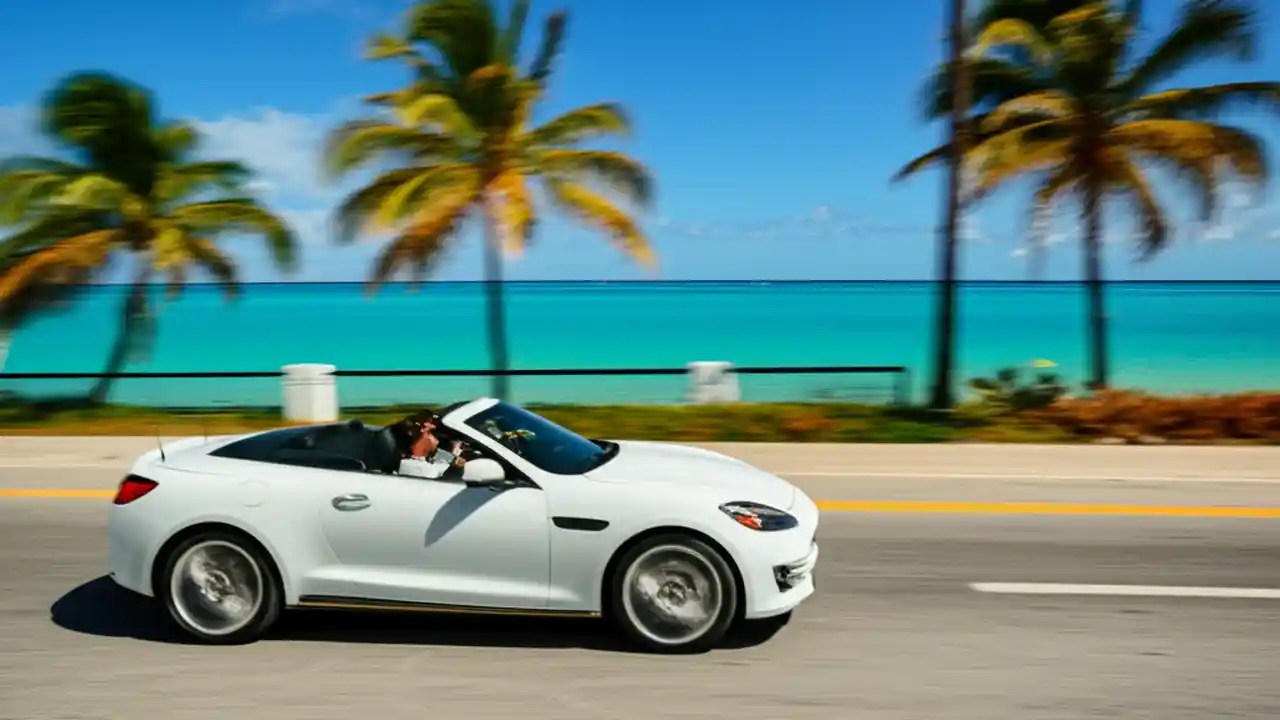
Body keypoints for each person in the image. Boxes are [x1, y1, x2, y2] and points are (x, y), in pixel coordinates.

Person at [389, 411, 468, 479]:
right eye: (433, 434)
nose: (437, 441)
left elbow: (460, 462)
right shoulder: (403, 460)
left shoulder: (436, 453)